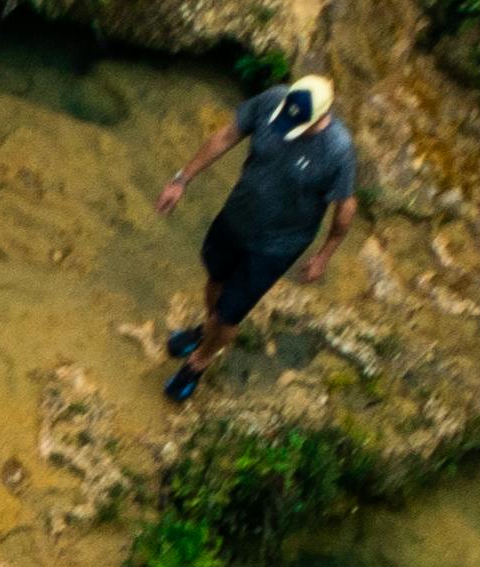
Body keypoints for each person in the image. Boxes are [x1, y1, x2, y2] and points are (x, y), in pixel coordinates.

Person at [145, 71, 365, 404]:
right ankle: (207, 331)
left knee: (228, 316)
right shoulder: (273, 101)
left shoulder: (337, 150)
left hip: (275, 245)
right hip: (237, 217)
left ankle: (199, 360)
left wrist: (325, 254)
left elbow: (345, 208)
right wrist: (181, 179)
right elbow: (226, 136)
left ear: (321, 117)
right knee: (215, 280)